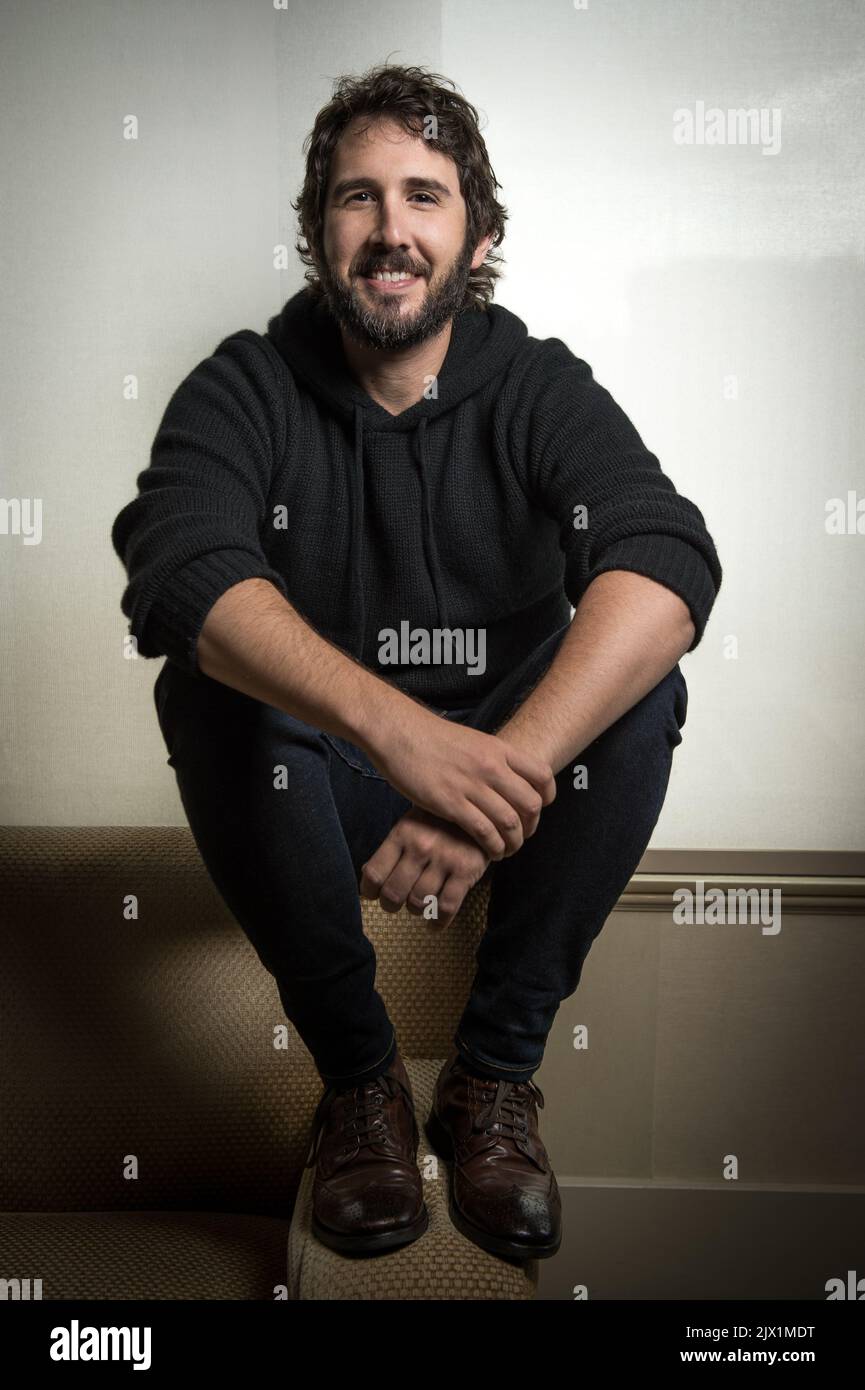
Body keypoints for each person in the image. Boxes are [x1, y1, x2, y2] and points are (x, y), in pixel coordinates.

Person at [111, 62, 722, 1264]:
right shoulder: (247, 385)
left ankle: (492, 1080)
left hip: (509, 775)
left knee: (647, 680)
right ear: (316, 230)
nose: (391, 229)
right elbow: (176, 565)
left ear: (476, 234)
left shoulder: (538, 386)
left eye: (423, 196)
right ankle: (360, 1085)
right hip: (329, 773)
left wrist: (488, 780)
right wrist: (404, 739)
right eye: (358, 197)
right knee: (205, 677)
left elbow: (666, 561)